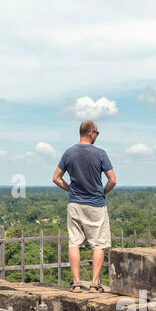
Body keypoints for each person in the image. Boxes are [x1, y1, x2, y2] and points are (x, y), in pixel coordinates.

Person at [52, 120, 116, 292]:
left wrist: (70, 189)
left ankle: (77, 283)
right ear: (90, 132)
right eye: (97, 133)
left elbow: (56, 178)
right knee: (98, 244)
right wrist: (102, 193)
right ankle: (95, 284)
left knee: (74, 242)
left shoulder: (69, 153)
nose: (97, 136)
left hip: (75, 203)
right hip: (96, 204)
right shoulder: (100, 154)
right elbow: (113, 180)